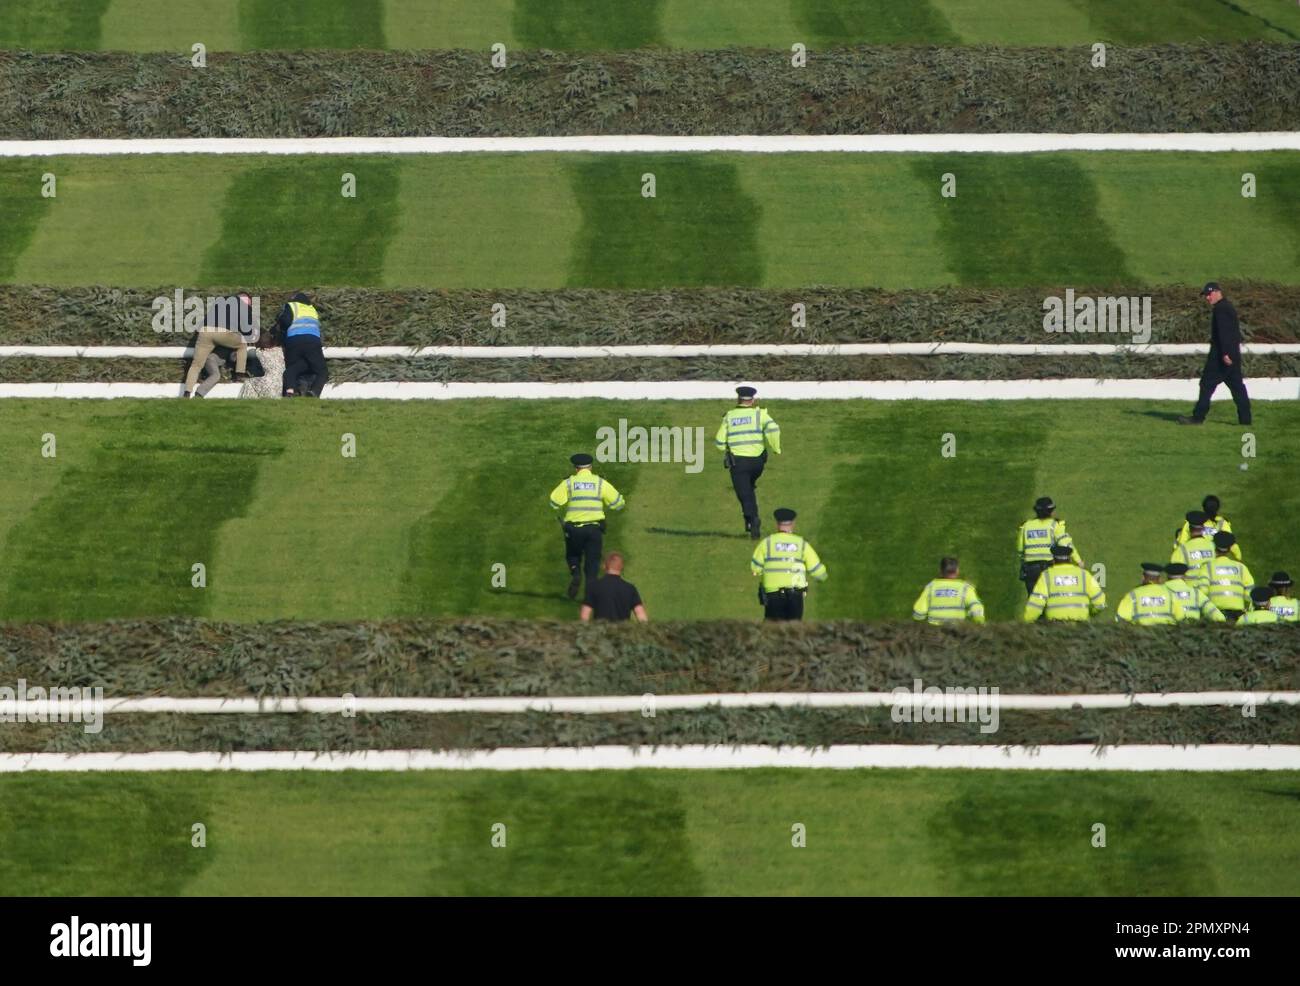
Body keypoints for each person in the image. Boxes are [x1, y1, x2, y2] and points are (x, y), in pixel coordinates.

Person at [549, 453, 625, 600]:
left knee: (572, 555)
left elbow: (554, 503)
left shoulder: (569, 483)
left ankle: (576, 573)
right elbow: (618, 503)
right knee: (592, 564)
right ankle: (590, 598)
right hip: (594, 530)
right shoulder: (600, 483)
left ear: (576, 468)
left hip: (573, 529)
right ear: (590, 467)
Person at [1179, 282, 1251, 426]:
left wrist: (1225, 353)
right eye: (1206, 295)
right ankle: (1245, 420)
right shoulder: (1227, 307)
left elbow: (1224, 333)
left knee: (1206, 385)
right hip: (1232, 355)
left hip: (1221, 357)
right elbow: (1234, 334)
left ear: (1217, 292)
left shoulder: (1221, 309)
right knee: (1238, 388)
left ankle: (1198, 418)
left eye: (1209, 294)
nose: (1207, 298)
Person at [715, 385, 781, 539]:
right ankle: (751, 519)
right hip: (758, 462)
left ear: (738, 399)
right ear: (753, 400)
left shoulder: (729, 416)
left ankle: (752, 519)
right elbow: (774, 429)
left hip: (739, 463)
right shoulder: (760, 414)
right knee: (749, 489)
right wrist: (776, 448)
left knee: (744, 494)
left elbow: (718, 442)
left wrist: (725, 447)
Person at [751, 507, 826, 621]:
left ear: (777, 524)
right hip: (795, 595)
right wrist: (823, 577)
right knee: (794, 630)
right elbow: (817, 570)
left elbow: (755, 568)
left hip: (773, 595)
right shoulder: (801, 544)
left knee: (773, 631)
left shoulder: (767, 543)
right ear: (793, 524)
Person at [184, 293, 252, 398]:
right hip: (223, 333)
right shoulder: (243, 305)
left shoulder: (220, 301)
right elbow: (247, 329)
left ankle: (187, 393)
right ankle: (239, 374)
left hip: (205, 331)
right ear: (245, 300)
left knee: (196, 365)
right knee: (242, 344)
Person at [1022, 541, 1105, 622]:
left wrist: (1026, 622)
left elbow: (1036, 604)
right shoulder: (1084, 575)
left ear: (1053, 560)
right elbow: (1100, 602)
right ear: (1070, 559)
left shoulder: (1046, 576)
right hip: (1081, 627)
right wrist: (1090, 613)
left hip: (1055, 627)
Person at [1016, 496, 1080, 596]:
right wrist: (1078, 561)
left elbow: (1020, 550)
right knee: (1052, 599)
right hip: (1049, 568)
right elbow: (1066, 545)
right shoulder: (1054, 525)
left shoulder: (1026, 526)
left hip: (1030, 570)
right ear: (1051, 511)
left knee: (1035, 602)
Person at [275, 292, 328, 397]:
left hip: (293, 341)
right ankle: (314, 392)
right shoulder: (312, 309)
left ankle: (291, 391)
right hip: (313, 341)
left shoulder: (291, 305)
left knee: (293, 368)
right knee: (322, 371)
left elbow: (285, 321)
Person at [911, 557, 985, 625]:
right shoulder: (965, 587)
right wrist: (980, 621)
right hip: (957, 630)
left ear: (941, 571)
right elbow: (976, 607)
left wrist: (918, 620)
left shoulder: (931, 587)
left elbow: (919, 612)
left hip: (935, 632)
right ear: (957, 571)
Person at [580, 553, 648, 622]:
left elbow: (585, 615)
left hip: (601, 631)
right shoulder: (630, 589)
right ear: (621, 567)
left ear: (604, 566)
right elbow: (641, 614)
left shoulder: (593, 586)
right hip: (622, 631)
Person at [1204, 531, 1253, 622]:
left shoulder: (1207, 567)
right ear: (1230, 548)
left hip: (1215, 615)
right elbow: (1250, 595)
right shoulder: (1241, 568)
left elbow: (1202, 594)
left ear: (1214, 546)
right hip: (1237, 616)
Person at [1115, 562, 1185, 625]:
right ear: (1160, 579)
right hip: (1166, 635)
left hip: (1141, 635)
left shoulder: (1133, 595)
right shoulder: (1171, 594)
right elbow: (1181, 617)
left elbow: (1120, 618)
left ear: (1143, 578)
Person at [1174, 495, 1240, 560]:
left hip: (1195, 559)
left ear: (1203, 507)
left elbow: (1181, 543)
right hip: (1213, 561)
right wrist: (1238, 557)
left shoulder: (1193, 521)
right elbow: (1231, 543)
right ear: (1218, 508)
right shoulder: (1222, 523)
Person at [1169, 511, 1217, 589]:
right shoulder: (1213, 547)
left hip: (1191, 594)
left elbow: (1174, 576)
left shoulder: (1181, 550)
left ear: (1189, 529)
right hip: (1210, 591)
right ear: (1203, 528)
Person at [239, 323, 286, 399]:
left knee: (249, 383)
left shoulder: (259, 352)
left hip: (270, 384)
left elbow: (248, 354)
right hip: (282, 384)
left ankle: (246, 403)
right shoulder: (280, 349)